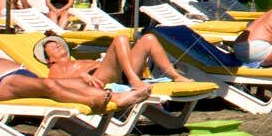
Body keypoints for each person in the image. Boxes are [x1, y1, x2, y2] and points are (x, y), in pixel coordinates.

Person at [0, 45, 147, 112]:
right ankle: (95, 101)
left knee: (83, 81)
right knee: (49, 85)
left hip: (18, 75)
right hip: (1, 84)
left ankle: (118, 96)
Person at [37, 33, 182, 87]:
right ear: (50, 60)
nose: (57, 45)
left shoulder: (79, 60)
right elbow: (55, 85)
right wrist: (81, 77)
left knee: (148, 39)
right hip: (101, 81)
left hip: (120, 74)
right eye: (53, 48)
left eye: (57, 44)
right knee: (120, 39)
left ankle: (176, 76)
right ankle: (133, 80)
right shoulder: (56, 68)